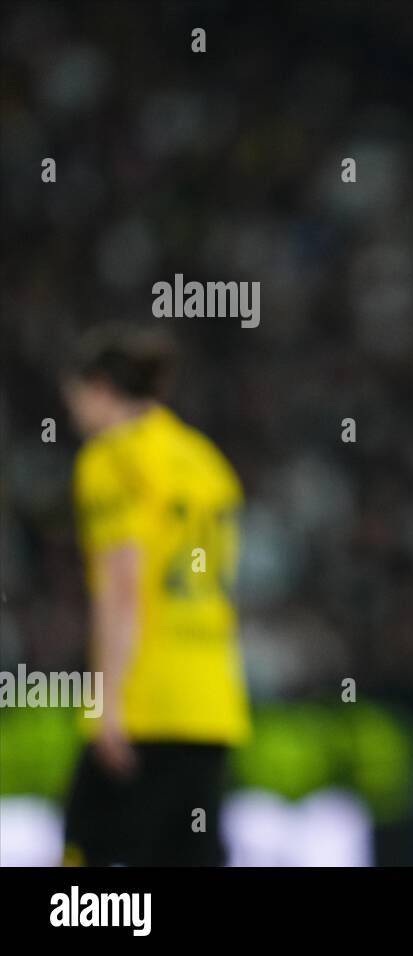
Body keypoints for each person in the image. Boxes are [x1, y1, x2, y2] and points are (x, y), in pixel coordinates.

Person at [61, 324, 251, 865]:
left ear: (98, 386)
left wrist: (107, 703)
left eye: (73, 397)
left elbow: (121, 589)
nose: (73, 414)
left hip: (145, 699)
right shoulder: (206, 461)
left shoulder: (111, 460)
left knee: (84, 864)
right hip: (212, 702)